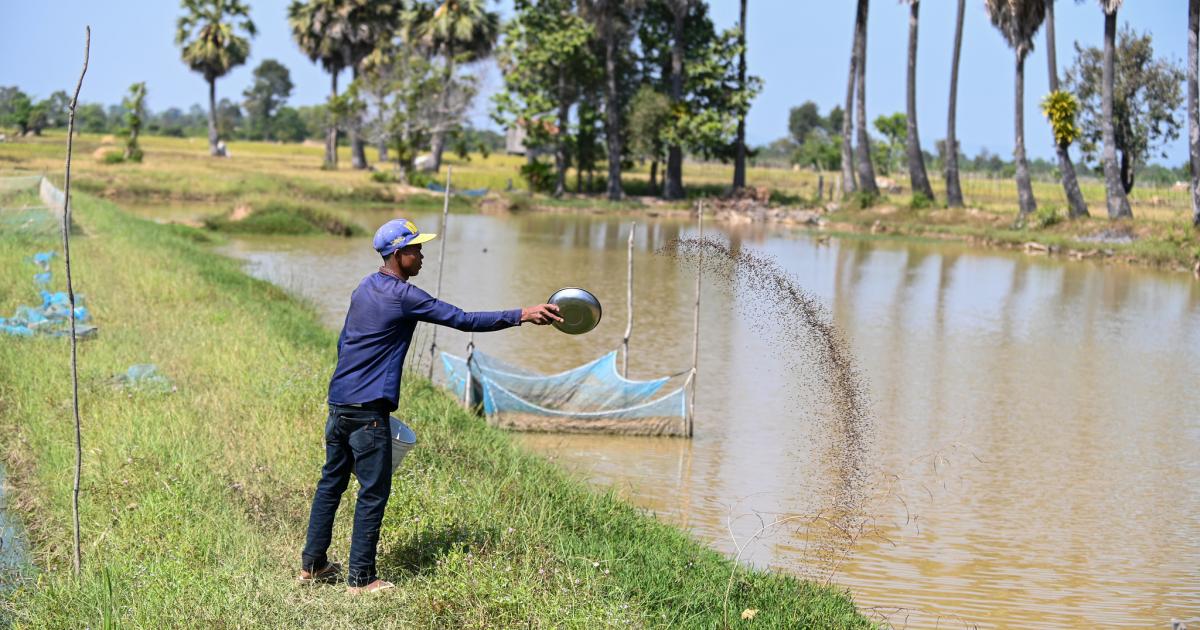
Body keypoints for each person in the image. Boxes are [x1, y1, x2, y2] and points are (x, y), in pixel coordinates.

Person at [298, 218, 562, 594]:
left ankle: (312, 566)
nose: (421, 255)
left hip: (340, 402)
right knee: (372, 493)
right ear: (398, 254)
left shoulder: (365, 287)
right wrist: (522, 314)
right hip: (369, 411)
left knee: (331, 484)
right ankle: (361, 579)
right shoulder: (405, 296)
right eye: (416, 249)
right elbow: (464, 320)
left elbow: (345, 342)